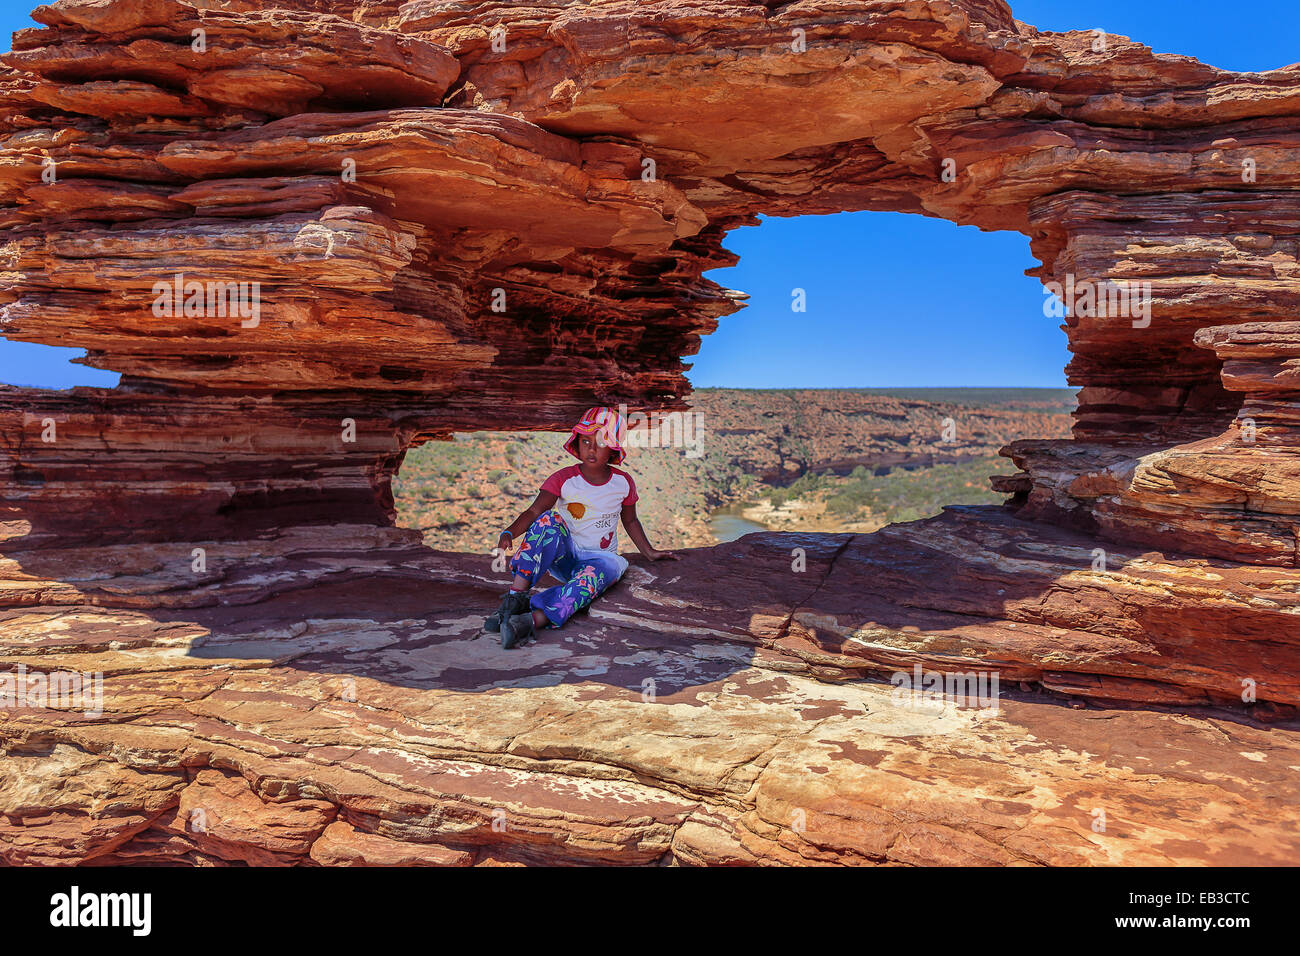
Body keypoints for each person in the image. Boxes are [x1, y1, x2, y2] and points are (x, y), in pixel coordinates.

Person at [484, 406, 679, 648]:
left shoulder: (623, 483)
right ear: (577, 444)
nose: (591, 448)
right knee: (548, 521)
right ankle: (514, 601)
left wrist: (648, 552)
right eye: (585, 441)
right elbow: (535, 511)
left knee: (591, 582)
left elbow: (630, 520)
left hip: (598, 561)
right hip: (565, 557)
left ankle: (530, 621)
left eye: (600, 442)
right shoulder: (563, 478)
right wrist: (509, 532)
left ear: (613, 449)